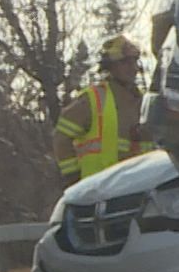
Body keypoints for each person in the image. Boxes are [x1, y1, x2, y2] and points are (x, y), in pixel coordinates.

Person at [53, 36, 154, 187]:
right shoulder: (92, 99)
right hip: (99, 191)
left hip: (140, 188)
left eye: (134, 61)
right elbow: (61, 138)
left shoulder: (143, 102)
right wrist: (73, 177)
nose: (132, 67)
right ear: (111, 67)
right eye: (125, 62)